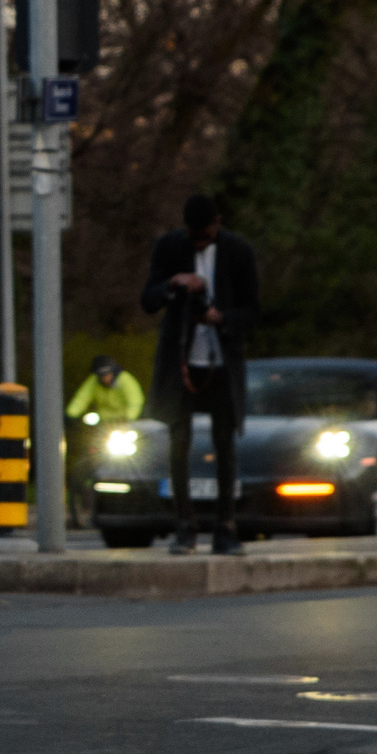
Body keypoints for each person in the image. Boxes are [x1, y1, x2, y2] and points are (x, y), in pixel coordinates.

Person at [140, 194, 260, 555]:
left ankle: (225, 526)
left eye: (204, 236)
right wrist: (173, 285)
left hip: (221, 359)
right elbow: (147, 300)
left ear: (217, 224)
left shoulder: (238, 252)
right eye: (193, 236)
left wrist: (220, 318)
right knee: (179, 442)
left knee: (225, 443)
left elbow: (253, 310)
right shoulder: (170, 247)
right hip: (182, 358)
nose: (199, 243)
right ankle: (184, 525)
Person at [66, 356, 144, 426]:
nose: (105, 378)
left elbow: (135, 401)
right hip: (103, 422)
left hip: (124, 421)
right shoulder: (93, 381)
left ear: (113, 372)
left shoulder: (125, 379)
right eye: (102, 375)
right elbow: (81, 398)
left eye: (108, 374)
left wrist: (129, 417)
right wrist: (70, 415)